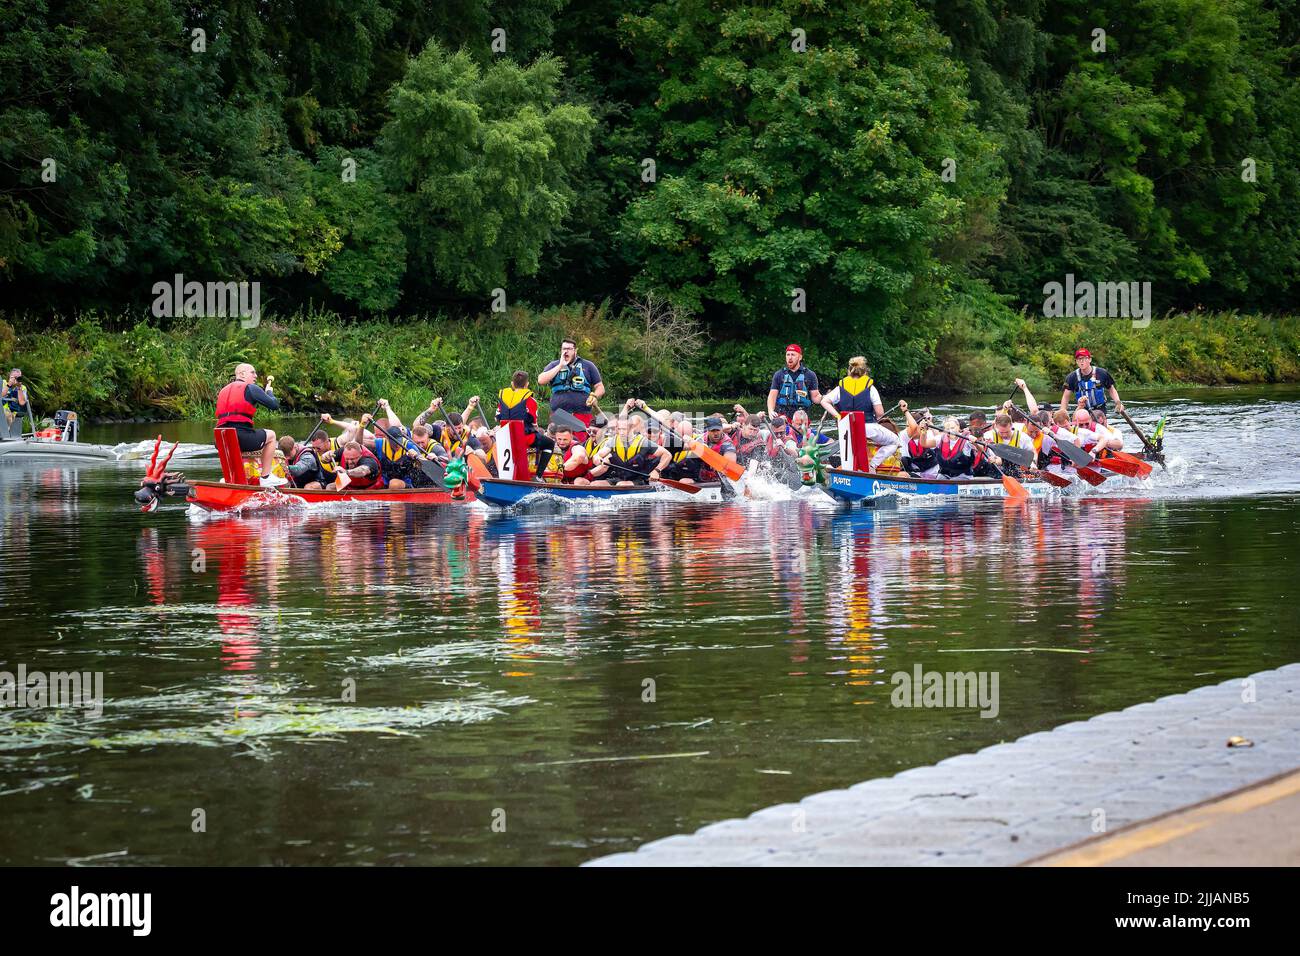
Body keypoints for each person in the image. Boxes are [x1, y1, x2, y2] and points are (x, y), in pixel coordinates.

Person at [215, 363, 283, 486]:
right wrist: (269, 392)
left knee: (238, 438)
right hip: (241, 437)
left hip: (221, 439)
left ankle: (230, 478)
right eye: (252, 372)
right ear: (241, 374)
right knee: (271, 435)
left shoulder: (223, 390)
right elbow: (274, 405)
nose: (255, 376)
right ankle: (266, 477)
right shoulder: (251, 388)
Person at [537, 338, 605, 441]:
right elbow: (541, 380)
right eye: (564, 348)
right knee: (559, 444)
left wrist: (594, 395)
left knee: (581, 443)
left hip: (582, 413)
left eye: (569, 349)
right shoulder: (554, 365)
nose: (566, 351)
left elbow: (600, 387)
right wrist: (560, 365)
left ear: (575, 350)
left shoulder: (588, 365)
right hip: (559, 414)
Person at [497, 370, 555, 472]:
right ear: (527, 384)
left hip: (505, 437)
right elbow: (534, 423)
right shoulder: (530, 400)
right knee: (549, 443)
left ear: (512, 384)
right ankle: (539, 475)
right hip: (524, 438)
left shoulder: (502, 397)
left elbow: (497, 417)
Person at [587, 416, 670, 486]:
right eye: (619, 429)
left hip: (640, 480)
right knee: (594, 484)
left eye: (624, 429)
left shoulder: (644, 443)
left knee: (621, 485)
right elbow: (598, 455)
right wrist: (597, 458)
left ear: (632, 428)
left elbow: (667, 455)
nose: (621, 433)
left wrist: (657, 471)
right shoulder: (613, 441)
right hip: (618, 479)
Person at [1061, 348, 1124, 415]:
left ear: (1090, 359)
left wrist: (1118, 402)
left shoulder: (1102, 373)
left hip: (1100, 410)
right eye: (1079, 359)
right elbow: (1065, 397)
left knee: (1099, 418)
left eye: (1085, 358)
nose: (1082, 361)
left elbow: (1111, 389)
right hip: (1082, 411)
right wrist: (1063, 413)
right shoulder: (1071, 377)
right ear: (1076, 361)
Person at [820, 356, 885, 420]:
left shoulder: (840, 388)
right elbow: (880, 414)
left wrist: (838, 416)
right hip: (866, 426)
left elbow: (824, 401)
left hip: (846, 427)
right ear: (865, 372)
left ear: (849, 371)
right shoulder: (871, 388)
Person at [767, 344, 822, 420]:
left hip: (802, 417)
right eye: (788, 355)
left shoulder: (810, 375)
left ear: (800, 357)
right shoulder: (779, 375)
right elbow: (772, 396)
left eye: (793, 355)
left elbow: (815, 397)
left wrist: (825, 398)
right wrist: (770, 411)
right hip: (783, 417)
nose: (790, 357)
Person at [898, 402, 940, 477]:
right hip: (915, 473)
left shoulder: (929, 434)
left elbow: (941, 439)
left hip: (932, 474)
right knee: (901, 473)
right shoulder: (903, 436)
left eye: (909, 426)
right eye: (907, 426)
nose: (907, 429)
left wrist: (930, 423)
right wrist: (905, 410)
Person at [3, 368, 30, 436]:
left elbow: (22, 402)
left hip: (11, 414)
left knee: (8, 415)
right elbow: (1, 395)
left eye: (18, 377)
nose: (16, 379)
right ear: (10, 376)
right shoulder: (3, 383)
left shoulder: (22, 388)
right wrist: (9, 384)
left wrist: (19, 387)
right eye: (15, 377)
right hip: (2, 411)